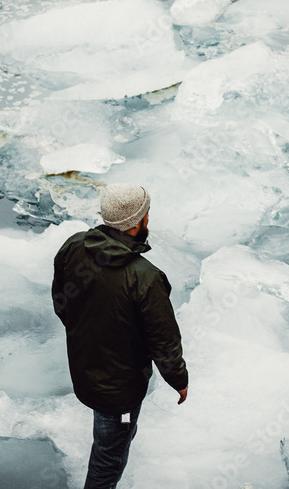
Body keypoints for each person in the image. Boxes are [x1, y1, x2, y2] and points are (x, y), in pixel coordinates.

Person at [52, 183, 189, 489]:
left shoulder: (74, 246)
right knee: (109, 458)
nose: (149, 218)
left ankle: (122, 433)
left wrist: (86, 333)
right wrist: (179, 380)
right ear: (136, 222)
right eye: (147, 213)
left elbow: (62, 301)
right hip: (120, 394)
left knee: (114, 436)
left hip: (86, 370)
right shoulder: (145, 277)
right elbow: (163, 343)